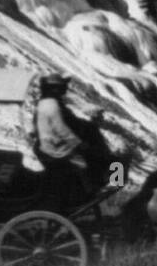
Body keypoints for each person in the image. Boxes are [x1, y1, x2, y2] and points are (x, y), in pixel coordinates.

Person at [33, 74, 111, 205]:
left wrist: (86, 126)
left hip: (52, 143)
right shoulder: (52, 105)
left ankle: (102, 184)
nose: (66, 89)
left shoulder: (48, 102)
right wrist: (80, 144)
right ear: (55, 89)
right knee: (85, 161)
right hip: (56, 148)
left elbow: (69, 122)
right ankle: (90, 192)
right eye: (63, 87)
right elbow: (61, 129)